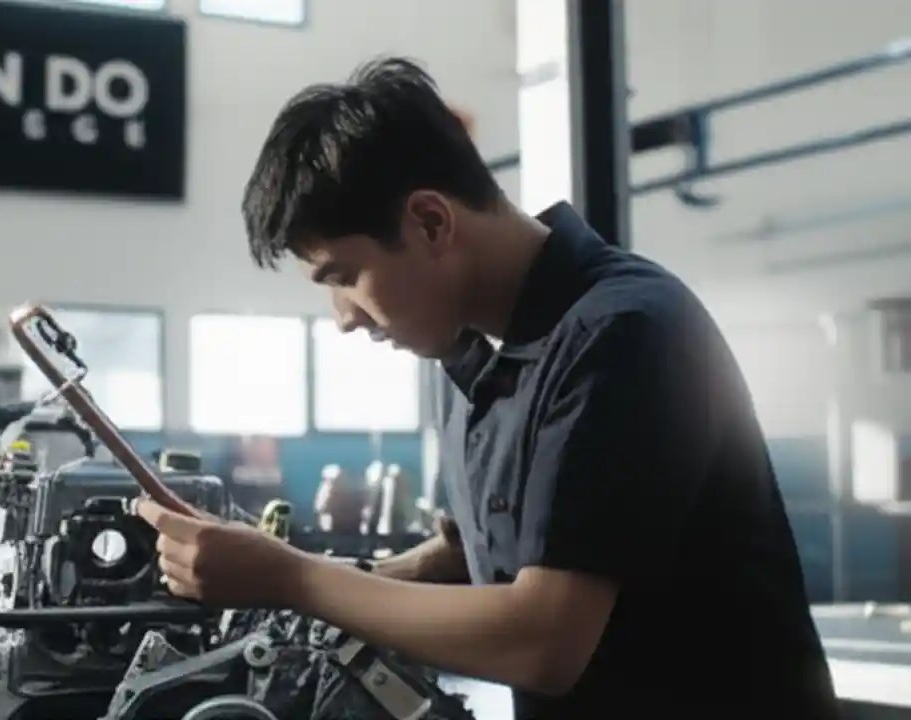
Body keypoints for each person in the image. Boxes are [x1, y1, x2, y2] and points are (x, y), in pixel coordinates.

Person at [135, 57, 839, 718]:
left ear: (433, 222)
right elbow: (474, 554)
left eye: (344, 277)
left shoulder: (622, 333)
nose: (344, 319)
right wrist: (317, 587)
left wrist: (289, 577)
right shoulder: (470, 357)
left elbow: (543, 639)